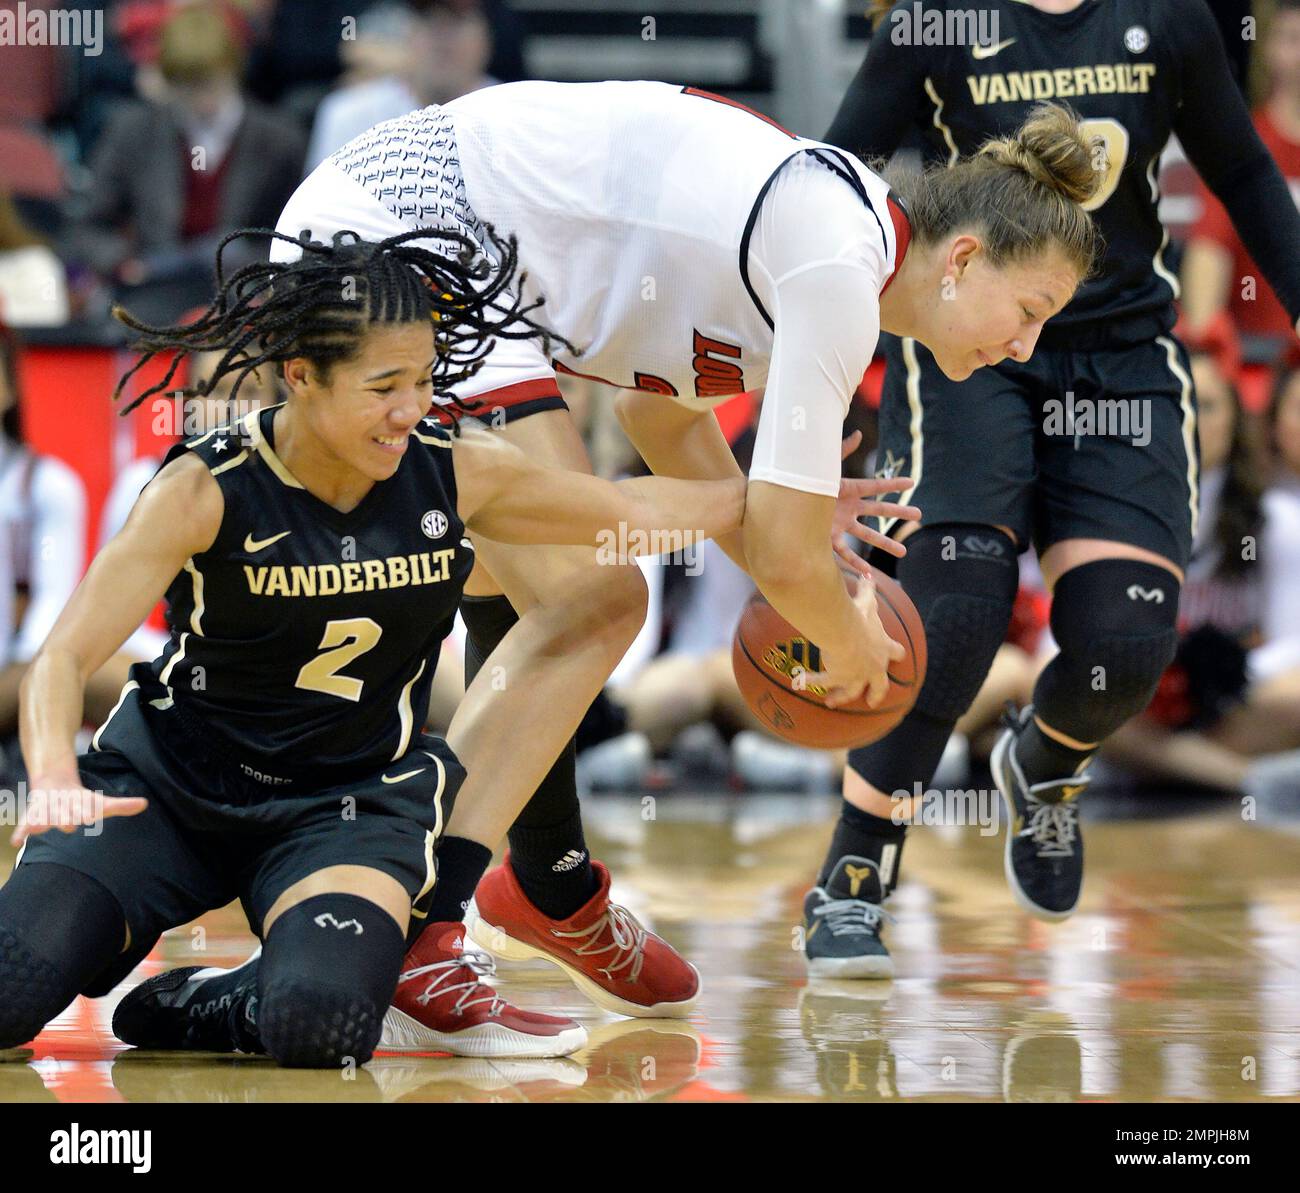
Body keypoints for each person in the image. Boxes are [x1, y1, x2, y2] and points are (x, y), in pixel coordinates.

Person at [261, 77, 1097, 1013]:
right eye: (1029, 309)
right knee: (599, 598)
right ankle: (425, 919)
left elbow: (655, 415)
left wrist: (777, 520)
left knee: (522, 568)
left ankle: (544, 880)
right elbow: (780, 557)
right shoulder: (838, 262)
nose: (1025, 347)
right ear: (966, 258)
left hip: (420, 234)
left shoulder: (830, 249)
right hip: (405, 228)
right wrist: (847, 635)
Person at [0, 225, 747, 1068]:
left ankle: (217, 1003)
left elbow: (628, 513)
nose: (410, 409)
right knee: (7, 994)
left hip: (343, 808)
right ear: (302, 376)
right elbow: (61, 657)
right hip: (170, 790)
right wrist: (55, 781)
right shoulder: (205, 487)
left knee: (320, 1028)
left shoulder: (457, 468)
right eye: (384, 385)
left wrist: (773, 501)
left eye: (425, 380)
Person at [801, 0, 1300, 981]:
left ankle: (1045, 760)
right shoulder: (934, 23)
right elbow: (830, 179)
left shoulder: (1166, 20)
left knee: (1124, 638)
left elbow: (1241, 172)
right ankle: (857, 860)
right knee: (953, 610)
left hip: (1117, 351)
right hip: (965, 344)